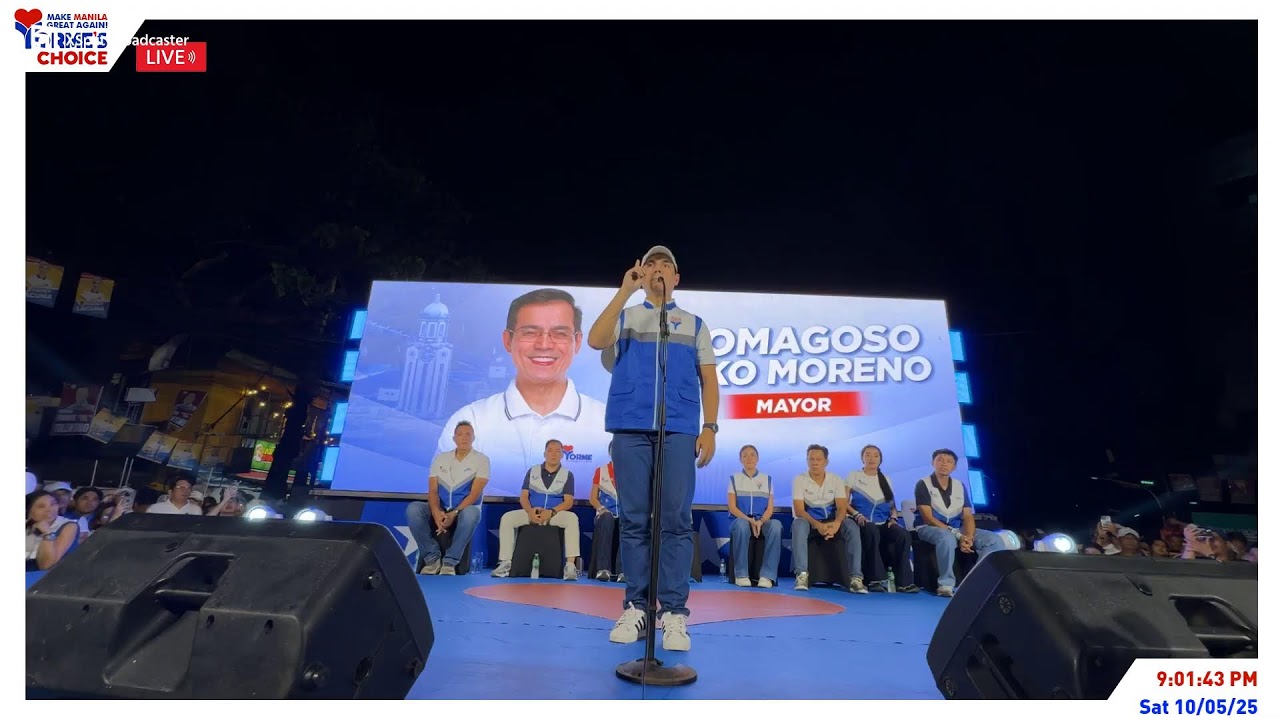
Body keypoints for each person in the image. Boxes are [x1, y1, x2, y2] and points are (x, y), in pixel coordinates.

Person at [587, 245, 719, 652]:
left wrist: (710, 427)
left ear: (676, 278)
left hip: (678, 429)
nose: (658, 269)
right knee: (634, 520)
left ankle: (674, 613)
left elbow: (709, 379)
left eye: (666, 266)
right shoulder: (625, 316)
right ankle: (637, 607)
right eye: (651, 265)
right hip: (630, 427)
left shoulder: (694, 324)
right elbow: (595, 340)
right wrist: (624, 291)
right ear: (642, 274)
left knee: (676, 520)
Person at [436, 289, 611, 494]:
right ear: (507, 340)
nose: (544, 344)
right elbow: (444, 498)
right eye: (530, 332)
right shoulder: (471, 421)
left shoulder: (607, 426)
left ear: (577, 342)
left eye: (560, 334)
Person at [913, 448, 1004, 597]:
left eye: (949, 461)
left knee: (994, 540)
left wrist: (968, 536)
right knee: (947, 538)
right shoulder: (923, 484)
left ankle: (979, 582)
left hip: (957, 528)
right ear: (933, 463)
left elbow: (967, 515)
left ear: (954, 466)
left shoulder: (959, 485)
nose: (944, 464)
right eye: (940, 460)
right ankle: (946, 584)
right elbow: (928, 518)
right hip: (929, 527)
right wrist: (957, 535)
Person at [406, 421, 490, 575]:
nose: (464, 438)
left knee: (472, 514)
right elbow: (433, 491)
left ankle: (450, 562)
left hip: (464, 509)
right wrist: (436, 512)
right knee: (414, 509)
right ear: (454, 438)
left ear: (473, 438)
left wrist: (454, 513)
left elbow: (474, 494)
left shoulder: (482, 460)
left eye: (468, 434)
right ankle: (432, 558)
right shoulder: (441, 459)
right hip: (441, 507)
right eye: (460, 434)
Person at [491, 439, 581, 580]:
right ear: (544, 453)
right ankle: (506, 563)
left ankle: (570, 566)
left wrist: (552, 511)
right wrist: (530, 511)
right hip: (532, 512)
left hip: (553, 514)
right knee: (507, 518)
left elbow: (568, 501)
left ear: (562, 455)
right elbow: (524, 497)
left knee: (572, 519)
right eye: (550, 451)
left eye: (558, 451)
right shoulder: (533, 471)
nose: (553, 454)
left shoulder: (567, 475)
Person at [790, 444, 864, 592]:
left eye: (818, 459)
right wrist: (817, 525)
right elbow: (799, 510)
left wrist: (836, 524)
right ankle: (802, 574)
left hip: (832, 521)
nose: (815, 463)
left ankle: (856, 578)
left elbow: (842, 507)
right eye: (811, 459)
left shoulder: (836, 479)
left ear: (826, 462)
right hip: (810, 521)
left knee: (851, 526)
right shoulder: (799, 479)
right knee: (798, 524)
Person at [845, 445, 918, 593]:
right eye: (868, 455)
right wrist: (856, 514)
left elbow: (892, 506)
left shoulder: (886, 479)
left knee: (903, 535)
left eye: (875, 455)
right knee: (871, 529)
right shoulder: (854, 476)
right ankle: (874, 580)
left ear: (880, 459)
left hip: (883, 523)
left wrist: (893, 519)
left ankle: (904, 583)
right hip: (861, 521)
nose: (871, 458)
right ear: (862, 458)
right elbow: (843, 503)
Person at [726, 444, 782, 588]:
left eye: (752, 455)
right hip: (741, 519)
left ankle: (767, 576)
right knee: (741, 525)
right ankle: (741, 574)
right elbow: (732, 507)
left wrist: (761, 521)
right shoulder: (734, 479)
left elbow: (769, 508)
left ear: (757, 458)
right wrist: (749, 520)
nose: (749, 458)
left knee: (776, 526)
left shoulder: (767, 479)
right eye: (745, 455)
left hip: (761, 521)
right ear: (740, 459)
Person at [588, 442, 623, 581]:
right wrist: (601, 509)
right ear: (610, 452)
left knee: (627, 522)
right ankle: (603, 569)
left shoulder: (632, 471)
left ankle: (623, 571)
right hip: (604, 513)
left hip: (624, 513)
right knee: (607, 518)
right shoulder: (601, 470)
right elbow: (593, 498)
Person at [27, 490, 77, 571]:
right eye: (41, 506)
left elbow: (45, 565)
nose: (49, 509)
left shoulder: (69, 526)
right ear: (29, 511)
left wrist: (47, 533)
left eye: (53, 504)